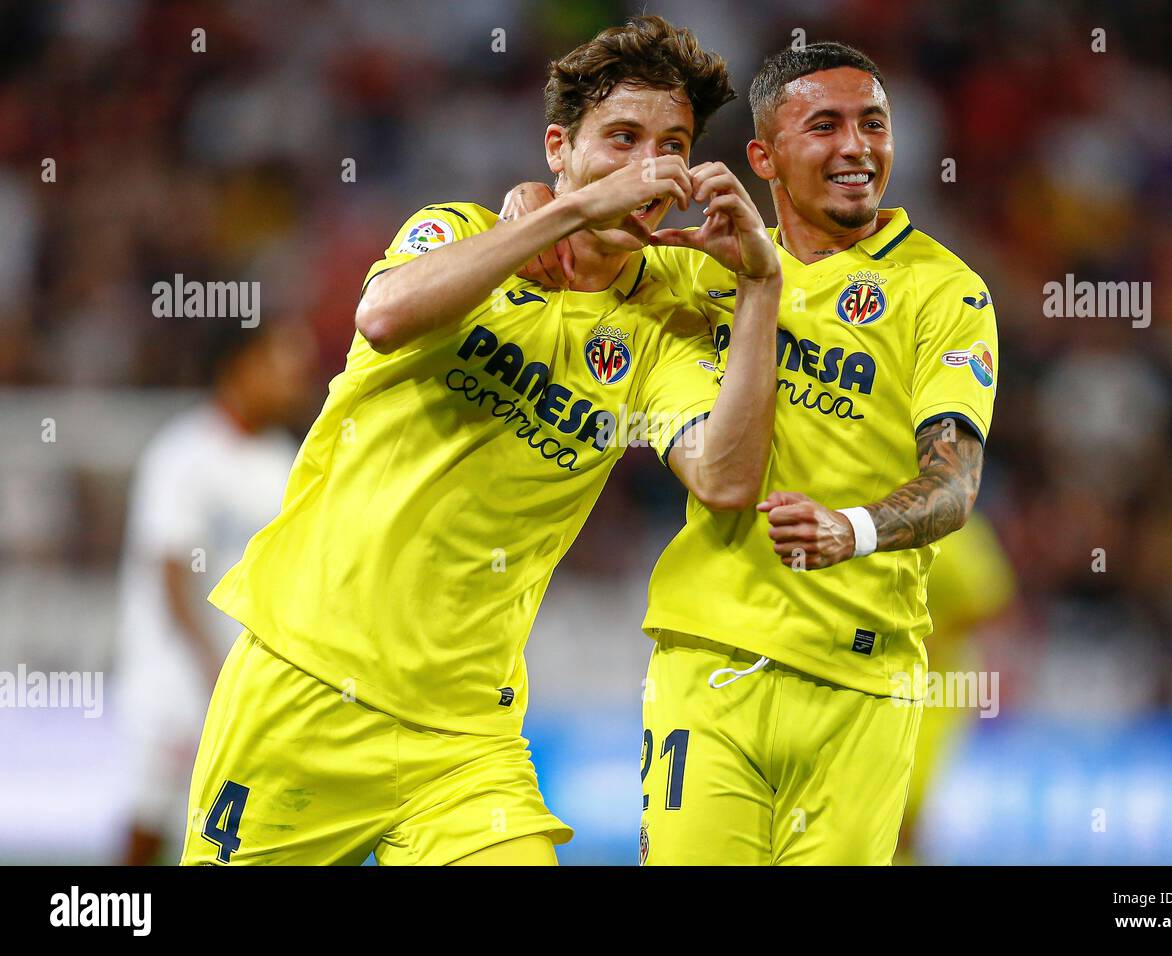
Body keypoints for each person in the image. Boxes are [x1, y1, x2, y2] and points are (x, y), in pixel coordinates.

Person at [180, 15, 781, 866]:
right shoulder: (458, 232)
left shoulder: (654, 330)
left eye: (671, 145)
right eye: (621, 139)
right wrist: (559, 218)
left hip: (466, 740)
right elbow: (382, 317)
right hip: (304, 683)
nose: (648, 167)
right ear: (557, 150)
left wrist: (760, 290)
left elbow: (723, 481)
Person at [506, 41, 999, 865]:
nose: (856, 147)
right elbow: (576, 236)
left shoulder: (946, 291)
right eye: (826, 126)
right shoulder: (698, 267)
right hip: (708, 664)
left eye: (873, 124)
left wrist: (854, 528)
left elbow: (954, 483)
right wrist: (528, 199)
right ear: (763, 157)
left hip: (861, 685)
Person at [116, 320, 309, 865]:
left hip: (244, 675)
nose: (295, 378)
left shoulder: (284, 461)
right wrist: (210, 667)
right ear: (239, 368)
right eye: (280, 362)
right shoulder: (184, 453)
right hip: (177, 672)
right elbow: (173, 572)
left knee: (226, 833)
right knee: (150, 821)